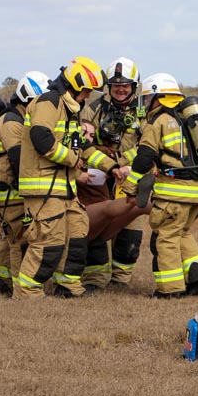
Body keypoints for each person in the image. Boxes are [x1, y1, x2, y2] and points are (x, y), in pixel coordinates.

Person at [14, 57, 118, 299]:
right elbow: (42, 140)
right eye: (87, 90)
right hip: (43, 188)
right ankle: (26, 292)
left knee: (77, 233)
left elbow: (83, 148)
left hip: (64, 189)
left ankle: (68, 287)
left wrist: (113, 168)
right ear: (75, 85)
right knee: (47, 242)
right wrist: (72, 159)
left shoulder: (71, 109)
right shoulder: (48, 102)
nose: (89, 96)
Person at [119, 72, 198, 300]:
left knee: (166, 237)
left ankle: (170, 290)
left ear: (158, 97)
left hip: (174, 191)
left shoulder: (158, 121)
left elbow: (143, 160)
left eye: (148, 98)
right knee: (182, 232)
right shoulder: (186, 118)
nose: (145, 104)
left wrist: (130, 188)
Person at [80, 57, 146, 292]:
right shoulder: (94, 108)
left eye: (125, 85)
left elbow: (150, 146)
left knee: (131, 231)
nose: (120, 89)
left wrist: (122, 162)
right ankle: (94, 280)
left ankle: (120, 280)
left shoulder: (144, 110)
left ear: (133, 86)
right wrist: (105, 160)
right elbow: (83, 140)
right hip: (99, 178)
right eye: (116, 84)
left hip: (131, 175)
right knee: (96, 226)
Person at [0, 71, 49, 295]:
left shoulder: (20, 118)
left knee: (9, 235)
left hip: (7, 189)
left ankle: (1, 282)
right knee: (20, 238)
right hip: (8, 191)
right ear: (26, 100)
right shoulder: (12, 123)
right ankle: (20, 288)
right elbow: (20, 159)